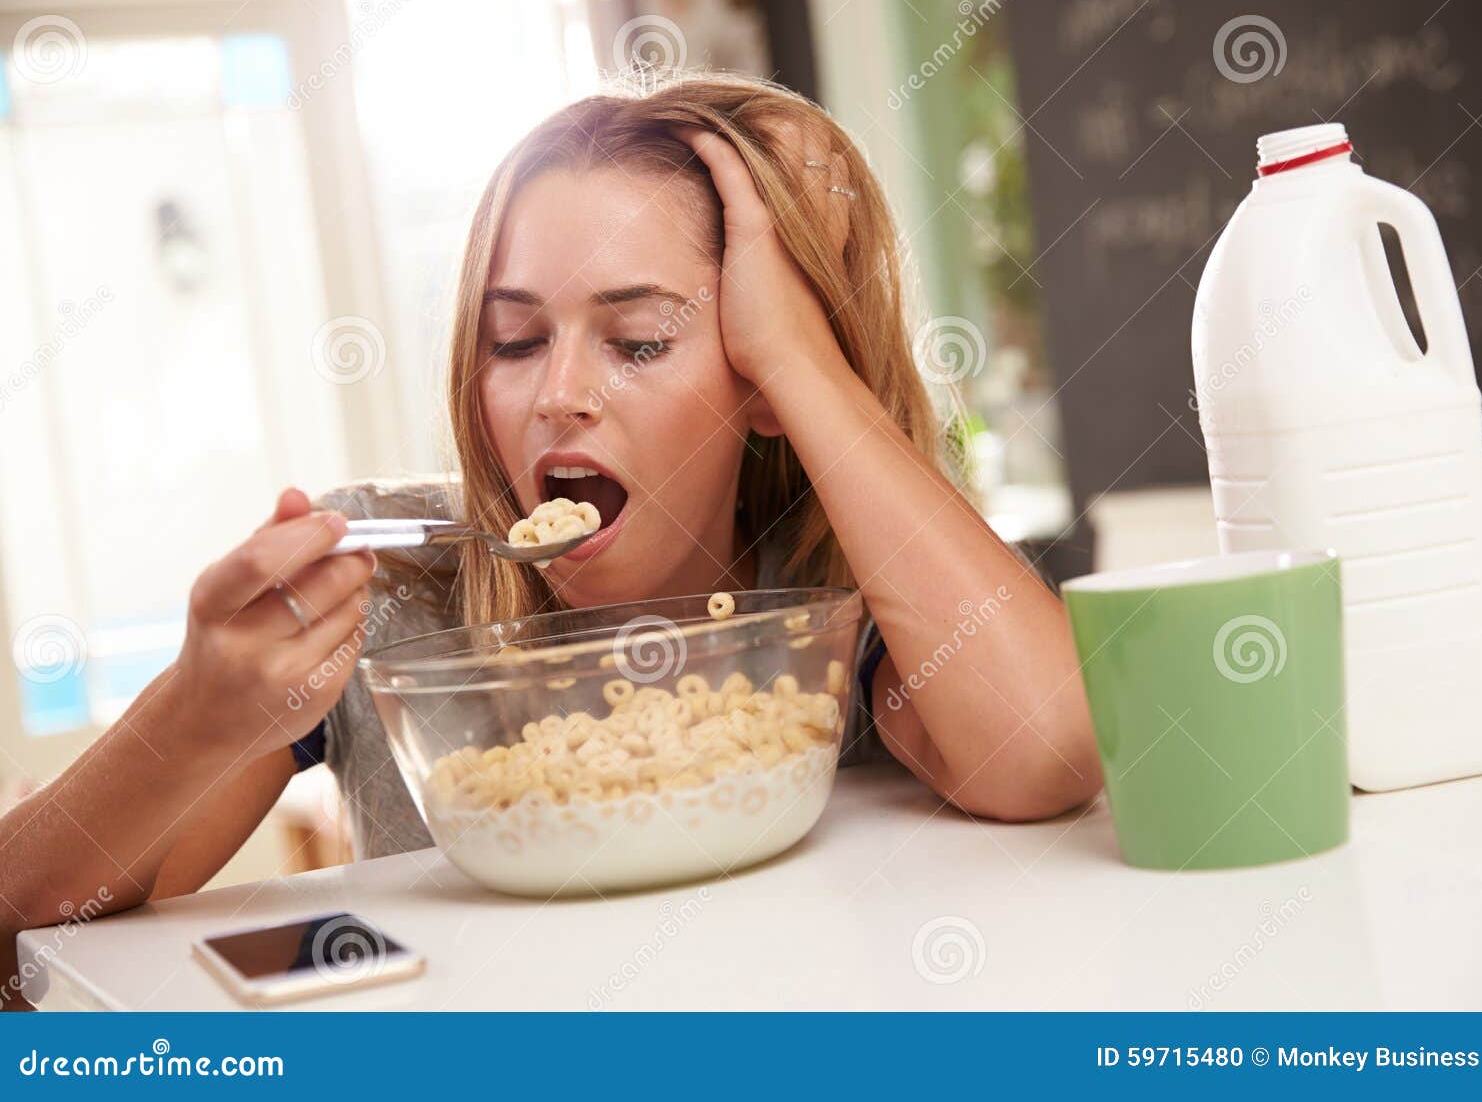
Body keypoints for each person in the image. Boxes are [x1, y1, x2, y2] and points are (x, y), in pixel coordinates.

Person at [0, 73, 1100, 986]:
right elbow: (28, 931)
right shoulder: (393, 589)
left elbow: (1046, 749)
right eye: (516, 341)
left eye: (637, 341)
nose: (558, 394)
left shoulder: (840, 606)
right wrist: (198, 708)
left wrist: (802, 357)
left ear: (756, 380)